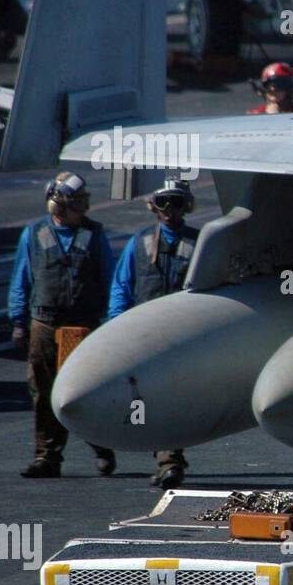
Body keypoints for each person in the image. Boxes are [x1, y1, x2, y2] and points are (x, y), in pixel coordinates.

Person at [8, 172, 116, 478]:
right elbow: (21, 279)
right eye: (75, 203)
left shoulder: (94, 234)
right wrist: (18, 321)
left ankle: (101, 443)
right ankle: (47, 456)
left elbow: (108, 277)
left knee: (85, 391)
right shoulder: (34, 234)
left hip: (82, 326)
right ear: (56, 204)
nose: (82, 209)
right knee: (42, 391)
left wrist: (111, 322)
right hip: (44, 323)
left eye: (83, 202)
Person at [108, 178, 199, 489]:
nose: (169, 210)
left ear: (186, 205)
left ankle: (170, 461)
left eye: (176, 202)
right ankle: (167, 460)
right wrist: (116, 323)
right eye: (163, 202)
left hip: (181, 334)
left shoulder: (200, 243)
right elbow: (122, 285)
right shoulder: (140, 242)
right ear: (154, 206)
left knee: (171, 397)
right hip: (144, 334)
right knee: (147, 398)